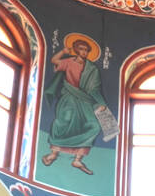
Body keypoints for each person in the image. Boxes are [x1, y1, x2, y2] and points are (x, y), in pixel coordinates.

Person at [41, 37, 109, 175]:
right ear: (77, 50)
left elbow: (94, 89)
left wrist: (101, 103)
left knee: (94, 125)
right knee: (63, 121)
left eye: (86, 50)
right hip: (69, 97)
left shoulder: (92, 69)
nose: (84, 52)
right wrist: (63, 52)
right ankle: (53, 153)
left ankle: (78, 158)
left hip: (85, 101)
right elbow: (54, 61)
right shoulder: (68, 62)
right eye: (81, 49)